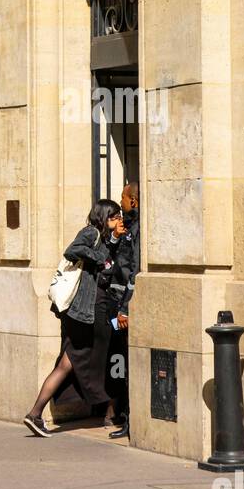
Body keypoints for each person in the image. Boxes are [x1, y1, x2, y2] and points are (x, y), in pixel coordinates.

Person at [23, 199, 124, 437]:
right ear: (104, 216)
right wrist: (102, 258)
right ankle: (110, 411)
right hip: (86, 313)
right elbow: (72, 250)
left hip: (84, 313)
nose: (119, 220)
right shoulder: (90, 232)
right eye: (115, 216)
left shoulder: (105, 238)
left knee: (67, 364)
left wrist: (114, 241)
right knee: (104, 356)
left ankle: (35, 414)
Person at [106, 182, 141, 440]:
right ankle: (118, 413)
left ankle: (127, 419)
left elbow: (134, 270)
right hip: (116, 304)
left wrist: (126, 309)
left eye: (124, 198)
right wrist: (115, 236)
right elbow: (116, 257)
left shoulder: (138, 227)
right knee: (117, 355)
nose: (121, 203)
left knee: (125, 360)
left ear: (134, 201)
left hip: (125, 308)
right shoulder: (126, 226)